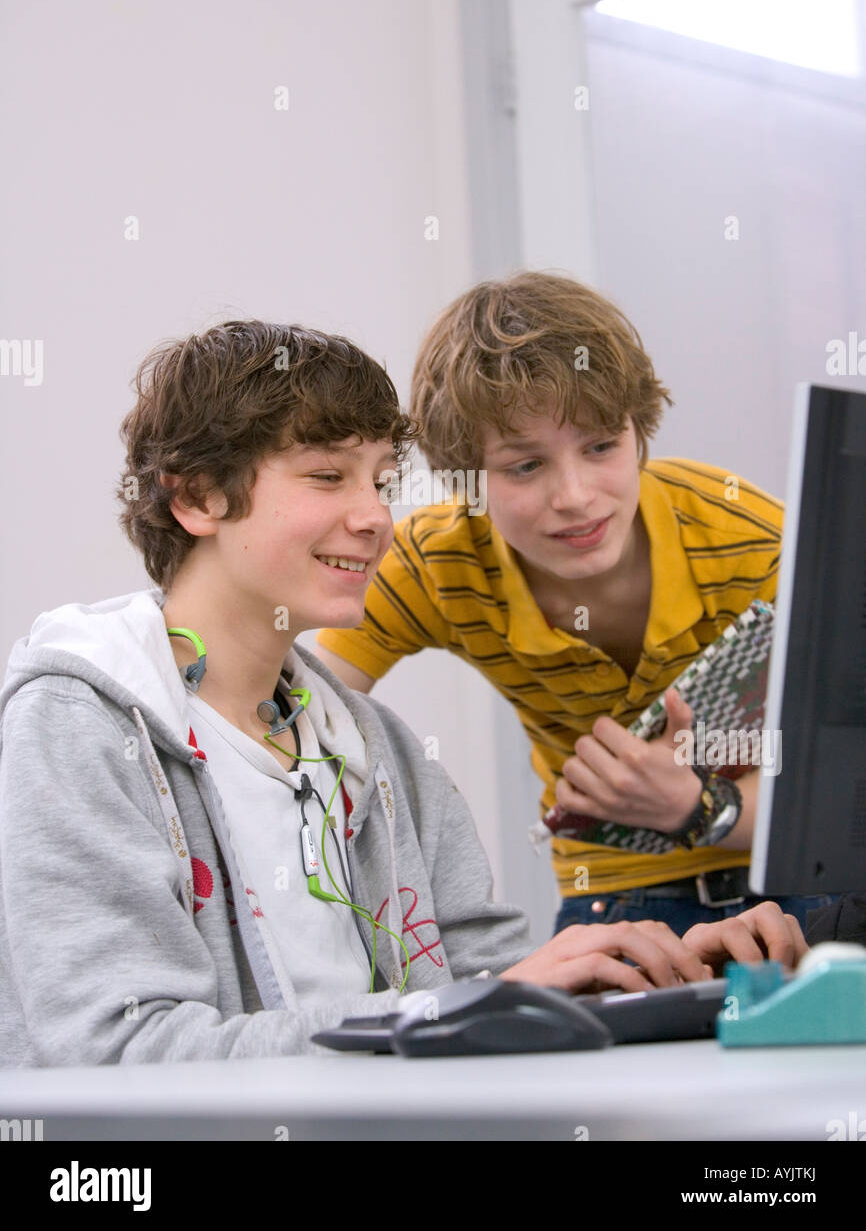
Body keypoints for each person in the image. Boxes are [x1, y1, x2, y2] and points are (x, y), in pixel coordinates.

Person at [0, 319, 815, 1069]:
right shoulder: (79, 726)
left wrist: (644, 978)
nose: (376, 519)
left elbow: (485, 983)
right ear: (194, 497)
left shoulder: (373, 746)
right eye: (328, 477)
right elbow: (119, 1050)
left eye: (383, 483)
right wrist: (460, 1006)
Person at [315, 272, 836, 936]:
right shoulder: (436, 562)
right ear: (466, 479)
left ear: (637, 431)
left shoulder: (753, 541)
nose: (576, 497)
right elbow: (305, 720)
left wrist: (694, 805)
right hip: (614, 901)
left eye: (601, 446)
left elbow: (842, 802)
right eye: (525, 466)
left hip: (798, 879)